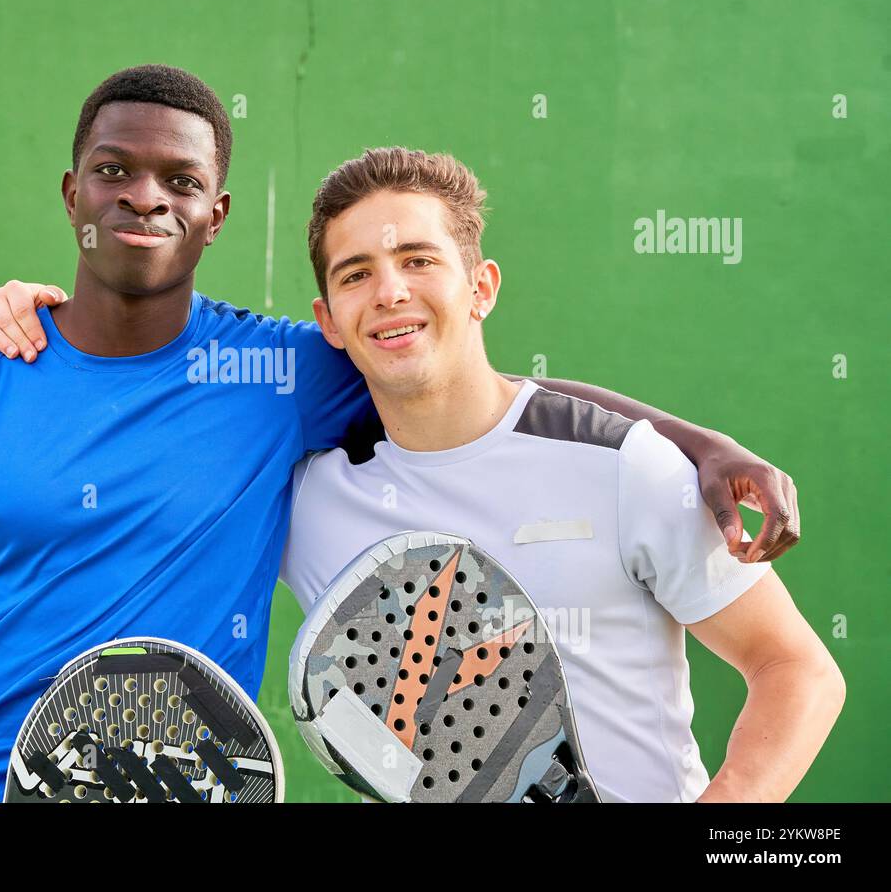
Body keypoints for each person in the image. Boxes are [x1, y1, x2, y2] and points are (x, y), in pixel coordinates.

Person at [0, 64, 798, 803]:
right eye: (113, 171)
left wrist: (700, 445)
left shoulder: (280, 374)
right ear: (71, 192)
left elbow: (487, 383)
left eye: (180, 179)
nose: (143, 197)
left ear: (215, 215)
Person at [276, 148, 842, 801]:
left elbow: (796, 669)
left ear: (481, 287)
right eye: (355, 274)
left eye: (418, 260)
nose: (390, 291)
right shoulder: (312, 504)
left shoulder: (625, 465)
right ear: (329, 323)